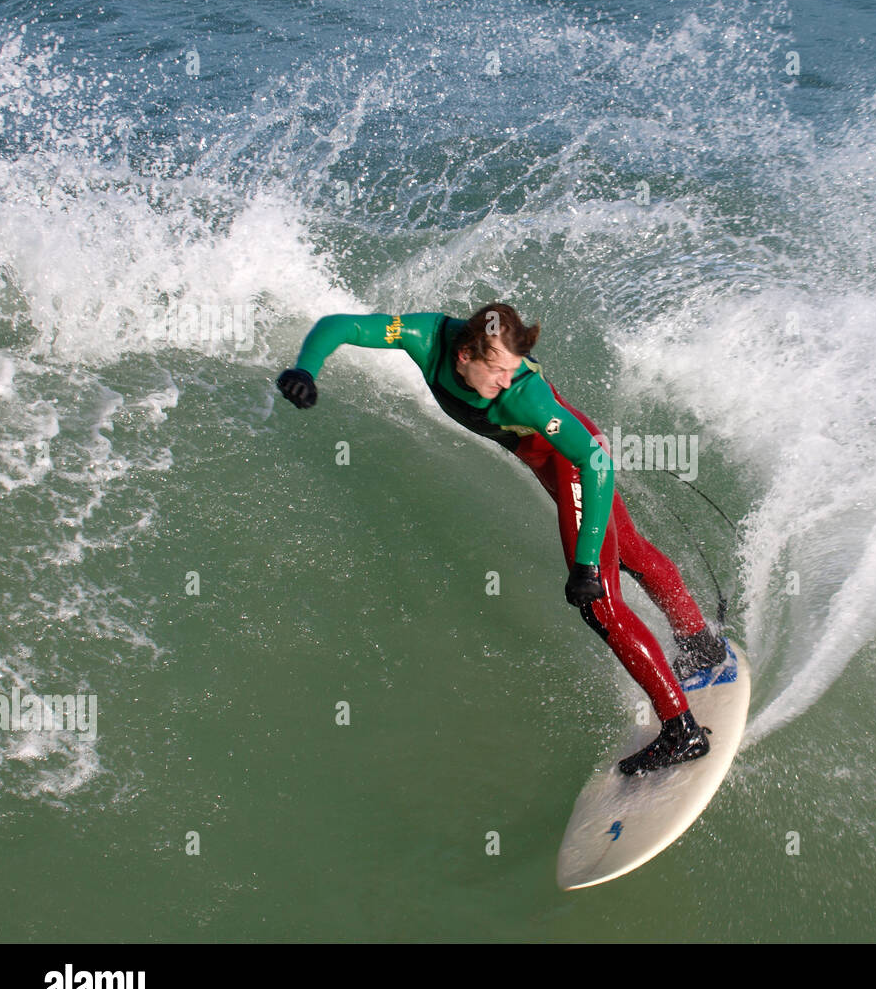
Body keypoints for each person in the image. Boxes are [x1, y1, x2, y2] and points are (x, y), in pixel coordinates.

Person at [276, 303, 728, 774]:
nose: (505, 383)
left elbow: (593, 460)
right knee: (631, 549)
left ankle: (681, 731)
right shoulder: (423, 335)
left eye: (512, 372)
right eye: (497, 372)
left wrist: (587, 562)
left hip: (574, 460)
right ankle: (698, 644)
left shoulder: (524, 397)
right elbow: (341, 325)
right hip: (557, 461)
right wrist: (306, 369)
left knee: (600, 604)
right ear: (464, 354)